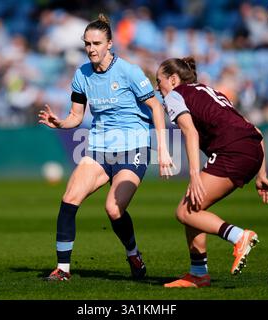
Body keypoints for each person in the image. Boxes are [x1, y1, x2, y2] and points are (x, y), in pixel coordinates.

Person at [38, 14, 173, 281]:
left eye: (97, 43)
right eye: (87, 43)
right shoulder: (81, 74)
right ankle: (63, 269)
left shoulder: (129, 71)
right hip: (99, 147)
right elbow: (77, 116)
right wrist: (61, 123)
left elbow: (156, 106)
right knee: (69, 199)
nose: (91, 49)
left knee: (113, 209)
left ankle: (133, 254)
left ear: (110, 43)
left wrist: (164, 149)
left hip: (134, 147)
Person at [155, 57, 268, 288]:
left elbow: (190, 133)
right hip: (250, 148)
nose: (157, 87)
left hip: (231, 151)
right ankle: (198, 274)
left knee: (184, 212)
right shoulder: (210, 91)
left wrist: (193, 175)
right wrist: (261, 175)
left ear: (173, 79)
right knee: (194, 208)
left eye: (158, 80)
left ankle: (239, 237)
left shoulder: (174, 95)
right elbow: (256, 131)